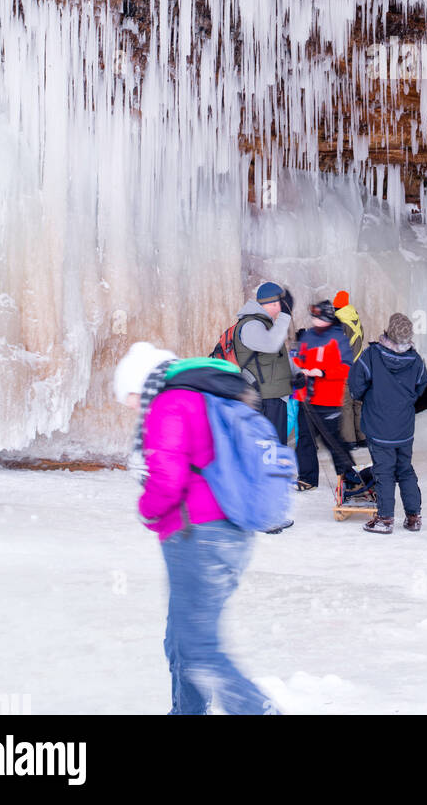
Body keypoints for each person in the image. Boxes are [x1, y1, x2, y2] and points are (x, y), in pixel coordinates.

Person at [113, 340, 280, 716]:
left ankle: (259, 711)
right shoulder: (208, 399)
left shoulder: (171, 403)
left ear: (146, 383)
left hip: (198, 535)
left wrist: (146, 509)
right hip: (228, 533)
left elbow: (167, 479)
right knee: (183, 639)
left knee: (200, 646)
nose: (136, 409)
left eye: (134, 399)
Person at [347, 313, 427, 533]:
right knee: (405, 470)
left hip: (378, 424)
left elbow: (356, 385)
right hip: (403, 426)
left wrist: (371, 398)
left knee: (384, 472)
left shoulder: (372, 355)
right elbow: (422, 385)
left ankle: (385, 519)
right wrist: (407, 400)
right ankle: (413, 517)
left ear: (389, 330)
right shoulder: (416, 360)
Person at [292, 300, 362, 493]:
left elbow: (346, 367)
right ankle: (307, 478)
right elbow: (298, 359)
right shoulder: (307, 336)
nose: (314, 320)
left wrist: (323, 372)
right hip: (306, 397)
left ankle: (351, 479)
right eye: (313, 317)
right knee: (305, 439)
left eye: (318, 317)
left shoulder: (338, 338)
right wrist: (299, 371)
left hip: (328, 399)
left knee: (333, 441)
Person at [230, 282, 296, 444]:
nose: (282, 309)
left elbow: (275, 357)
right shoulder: (251, 325)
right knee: (270, 449)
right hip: (265, 400)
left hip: (272, 397)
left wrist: (296, 373)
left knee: (275, 446)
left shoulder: (263, 323)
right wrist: (286, 315)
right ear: (274, 303)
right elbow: (271, 345)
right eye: (281, 305)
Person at [334, 290, 368, 447]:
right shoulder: (355, 319)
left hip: (345, 369)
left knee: (345, 405)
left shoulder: (341, 323)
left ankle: (349, 441)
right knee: (357, 404)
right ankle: (362, 437)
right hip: (358, 369)